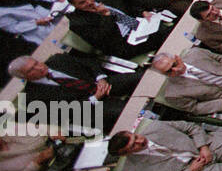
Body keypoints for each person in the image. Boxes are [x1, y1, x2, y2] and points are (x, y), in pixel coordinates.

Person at [7, 53, 136, 128]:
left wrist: (100, 78)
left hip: (102, 84)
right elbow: (66, 112)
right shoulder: (33, 97)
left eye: (36, 63)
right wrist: (94, 98)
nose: (39, 68)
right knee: (131, 111)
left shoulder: (57, 59)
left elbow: (89, 63)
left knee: (141, 78)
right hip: (90, 108)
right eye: (31, 69)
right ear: (24, 77)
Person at [150, 49, 222, 118]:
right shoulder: (172, 94)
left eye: (174, 65)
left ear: (178, 58)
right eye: (169, 71)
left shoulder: (195, 53)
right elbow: (195, 108)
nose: (175, 70)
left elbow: (221, 58)